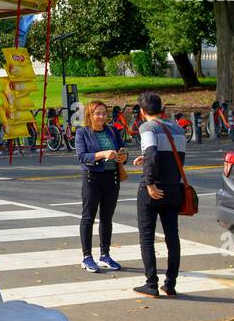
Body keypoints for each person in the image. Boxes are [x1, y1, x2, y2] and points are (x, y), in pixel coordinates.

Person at [134, 91, 187, 297]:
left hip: (153, 190)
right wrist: (146, 159)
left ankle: (151, 284)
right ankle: (170, 284)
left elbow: (152, 154)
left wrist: (149, 183)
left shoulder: (147, 127)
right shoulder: (178, 129)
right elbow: (174, 158)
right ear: (161, 108)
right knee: (172, 237)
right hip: (174, 189)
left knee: (146, 236)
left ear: (141, 111)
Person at [75, 100, 128, 272]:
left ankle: (105, 254)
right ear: (89, 115)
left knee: (107, 218)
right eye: (97, 113)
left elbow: (123, 150)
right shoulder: (82, 133)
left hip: (111, 178)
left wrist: (122, 156)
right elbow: (82, 157)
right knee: (88, 217)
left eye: (104, 113)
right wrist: (103, 154)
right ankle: (87, 256)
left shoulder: (112, 130)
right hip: (93, 178)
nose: (101, 117)